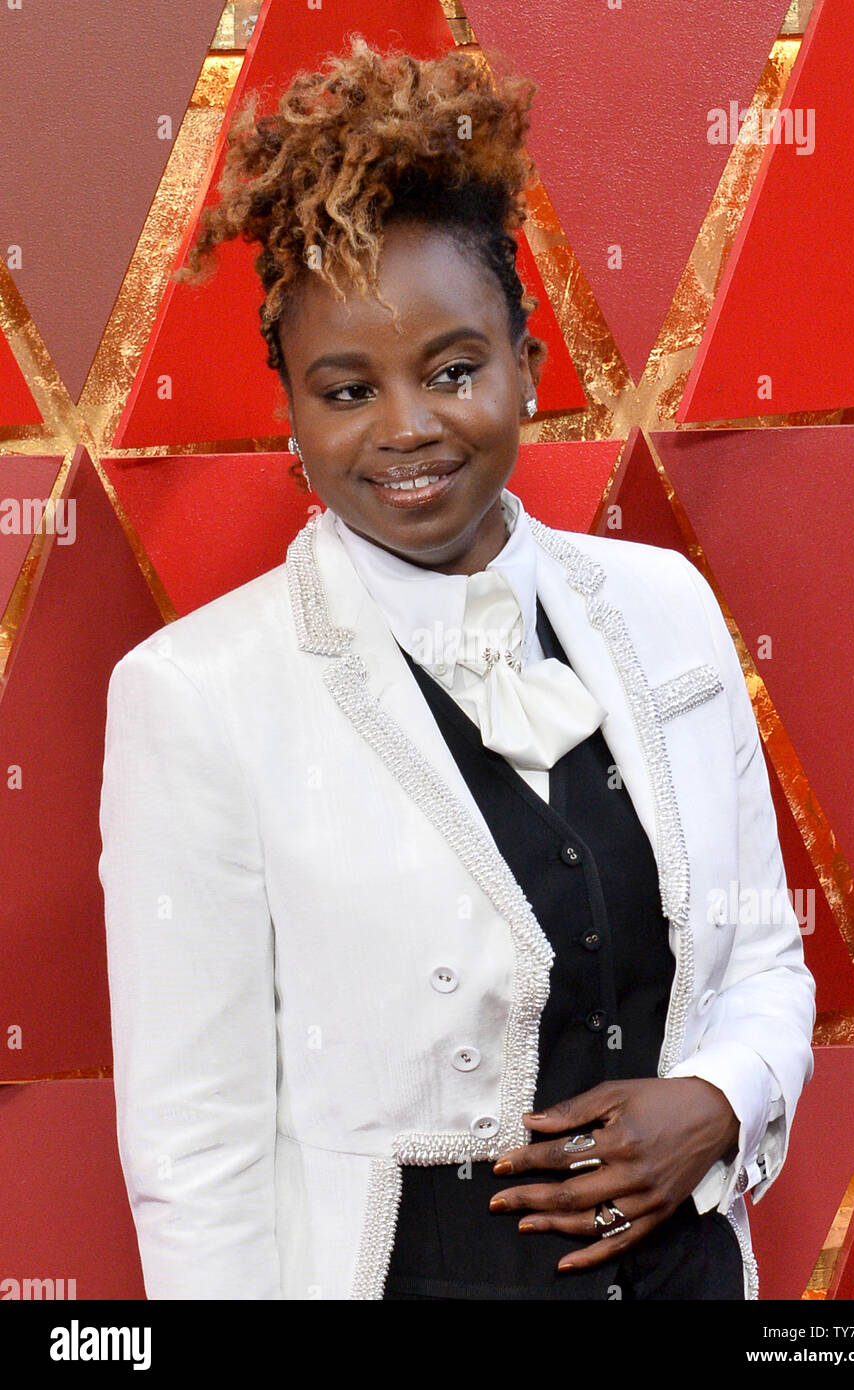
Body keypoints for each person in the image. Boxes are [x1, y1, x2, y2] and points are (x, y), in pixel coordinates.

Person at [98, 35, 816, 1301]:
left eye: (450, 368)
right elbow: (195, 1148)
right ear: (293, 412)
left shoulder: (667, 607)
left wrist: (721, 1096)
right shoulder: (194, 696)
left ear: (527, 368)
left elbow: (764, 954)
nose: (406, 427)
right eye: (345, 388)